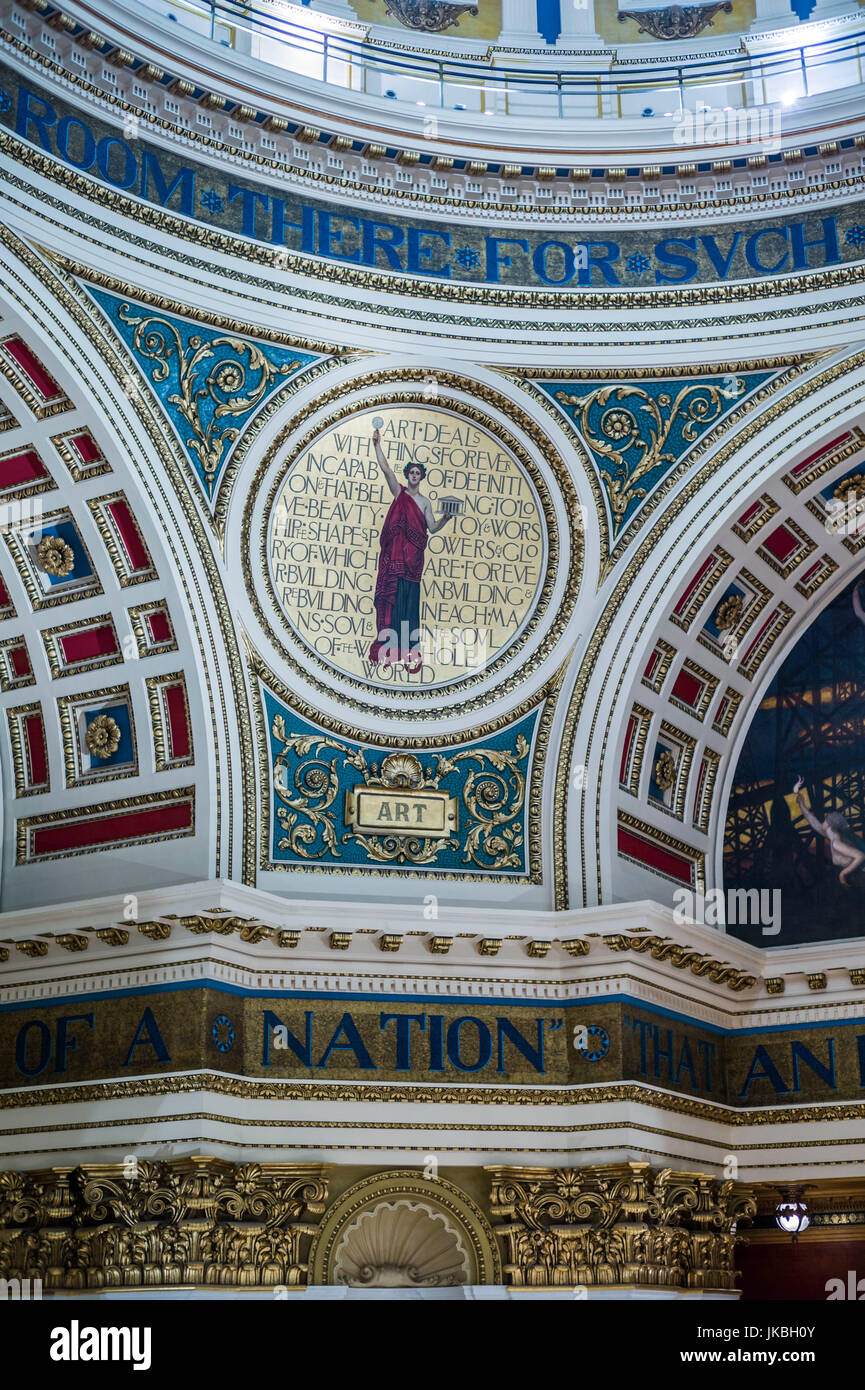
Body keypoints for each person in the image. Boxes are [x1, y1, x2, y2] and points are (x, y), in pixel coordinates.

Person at [368, 427, 454, 670]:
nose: (414, 475)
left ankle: (408, 653)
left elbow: (432, 528)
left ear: (421, 477)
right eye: (411, 472)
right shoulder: (400, 493)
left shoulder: (425, 502)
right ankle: (389, 648)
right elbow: (386, 470)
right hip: (396, 559)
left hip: (414, 561)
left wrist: (445, 519)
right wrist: (377, 445)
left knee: (410, 605)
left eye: (418, 473)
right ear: (407, 476)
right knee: (394, 601)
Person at [793, 776, 865, 886]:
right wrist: (802, 805)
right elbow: (815, 825)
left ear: (830, 825)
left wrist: (842, 874)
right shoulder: (832, 836)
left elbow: (861, 856)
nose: (824, 820)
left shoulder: (836, 842)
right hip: (855, 877)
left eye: (827, 818)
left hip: (859, 877)